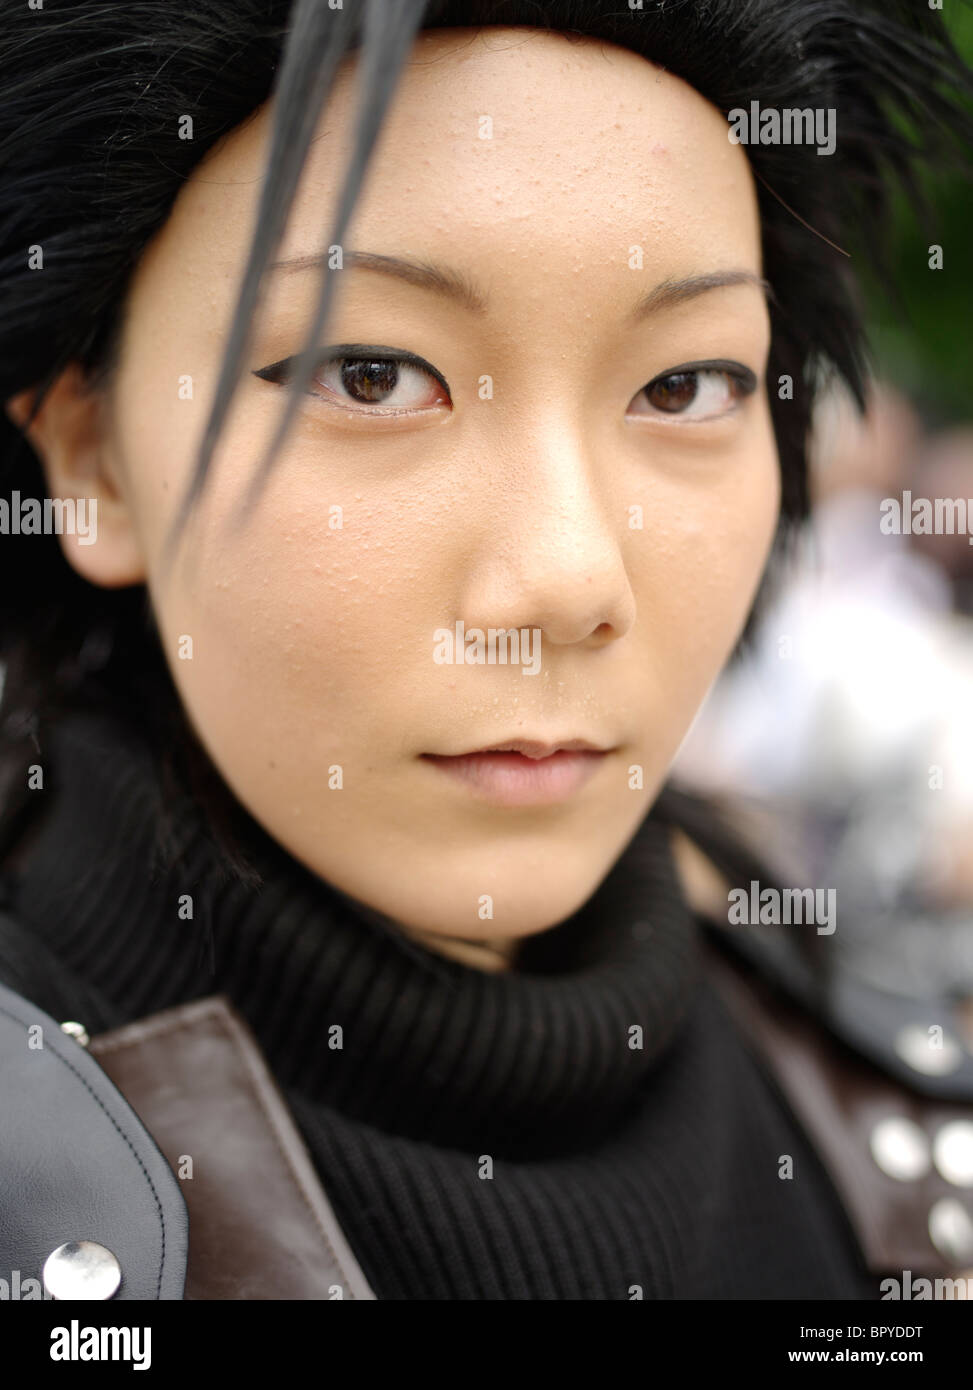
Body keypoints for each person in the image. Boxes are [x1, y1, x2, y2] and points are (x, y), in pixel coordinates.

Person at [1, 0, 971, 1302]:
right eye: (371, 372)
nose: (569, 577)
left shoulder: (884, 1117)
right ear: (92, 454)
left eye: (683, 386)